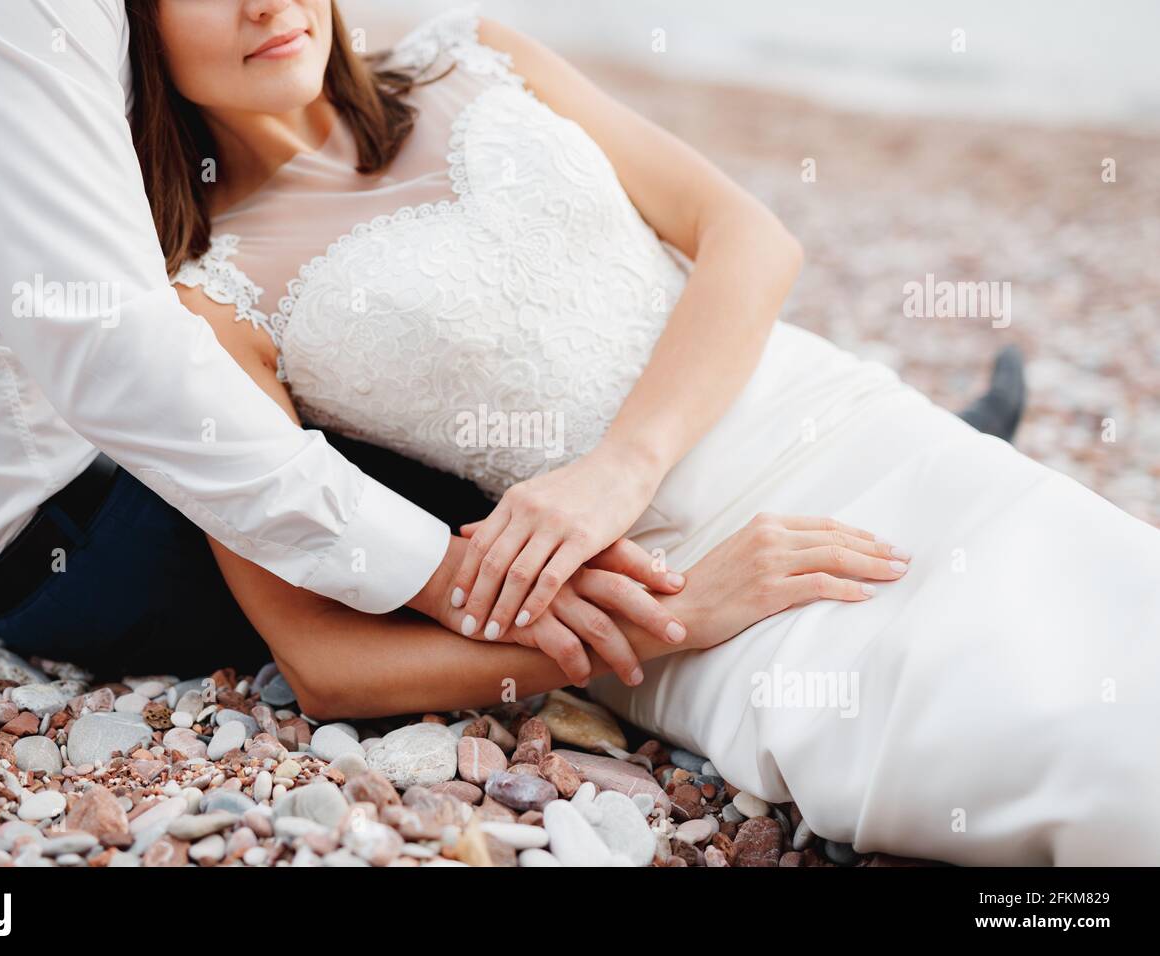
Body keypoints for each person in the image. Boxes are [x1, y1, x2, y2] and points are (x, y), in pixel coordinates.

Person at [120, 0, 1160, 865]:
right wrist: (670, 624)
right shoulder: (209, 302)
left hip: (858, 427)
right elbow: (323, 662)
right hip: (694, 587)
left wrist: (623, 463)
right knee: (1070, 759)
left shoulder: (470, 60)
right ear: (130, 31)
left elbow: (747, 235)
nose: (266, 1)